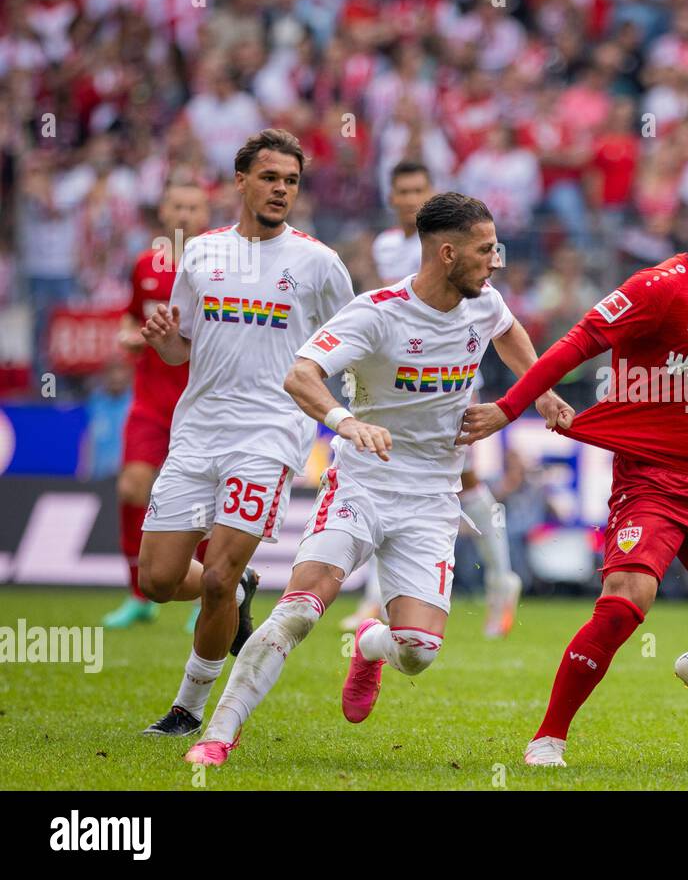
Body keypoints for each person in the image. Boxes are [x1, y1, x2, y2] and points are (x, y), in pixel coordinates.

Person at [183, 192, 570, 766]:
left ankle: (369, 645)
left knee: (417, 652)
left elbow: (508, 330)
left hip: (433, 495)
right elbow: (301, 375)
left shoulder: (484, 304)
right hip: (362, 481)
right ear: (446, 253)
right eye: (486, 250)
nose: (496, 261)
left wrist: (538, 393)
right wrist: (346, 422)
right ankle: (217, 736)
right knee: (300, 609)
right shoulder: (377, 313)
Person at [459, 174, 688, 768]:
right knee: (627, 599)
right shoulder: (659, 287)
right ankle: (548, 738)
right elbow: (579, 340)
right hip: (652, 479)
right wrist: (509, 406)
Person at [136, 129, 355, 735]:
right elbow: (183, 350)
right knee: (155, 580)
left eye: (291, 180)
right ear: (240, 181)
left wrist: (351, 413)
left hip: (269, 437)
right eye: (269, 177)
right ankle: (239, 596)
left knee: (214, 577)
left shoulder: (319, 262)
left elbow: (358, 340)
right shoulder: (202, 253)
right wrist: (166, 341)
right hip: (197, 432)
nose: (281, 189)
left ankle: (188, 709)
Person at [342, 160, 524, 638]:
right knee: (405, 475)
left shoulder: (457, 244)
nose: (409, 199)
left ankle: (500, 578)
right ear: (391, 196)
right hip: (399, 376)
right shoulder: (386, 245)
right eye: (402, 190)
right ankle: (380, 599)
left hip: (449, 375)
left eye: (418, 189)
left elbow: (481, 301)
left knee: (460, 481)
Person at [102, 181, 210, 629]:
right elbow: (131, 317)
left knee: (208, 502)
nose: (184, 214)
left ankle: (207, 593)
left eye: (193, 207)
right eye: (177, 206)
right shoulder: (145, 265)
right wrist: (128, 336)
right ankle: (138, 594)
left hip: (201, 403)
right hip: (150, 402)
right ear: (163, 212)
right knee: (131, 488)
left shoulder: (218, 265)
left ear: (207, 213)